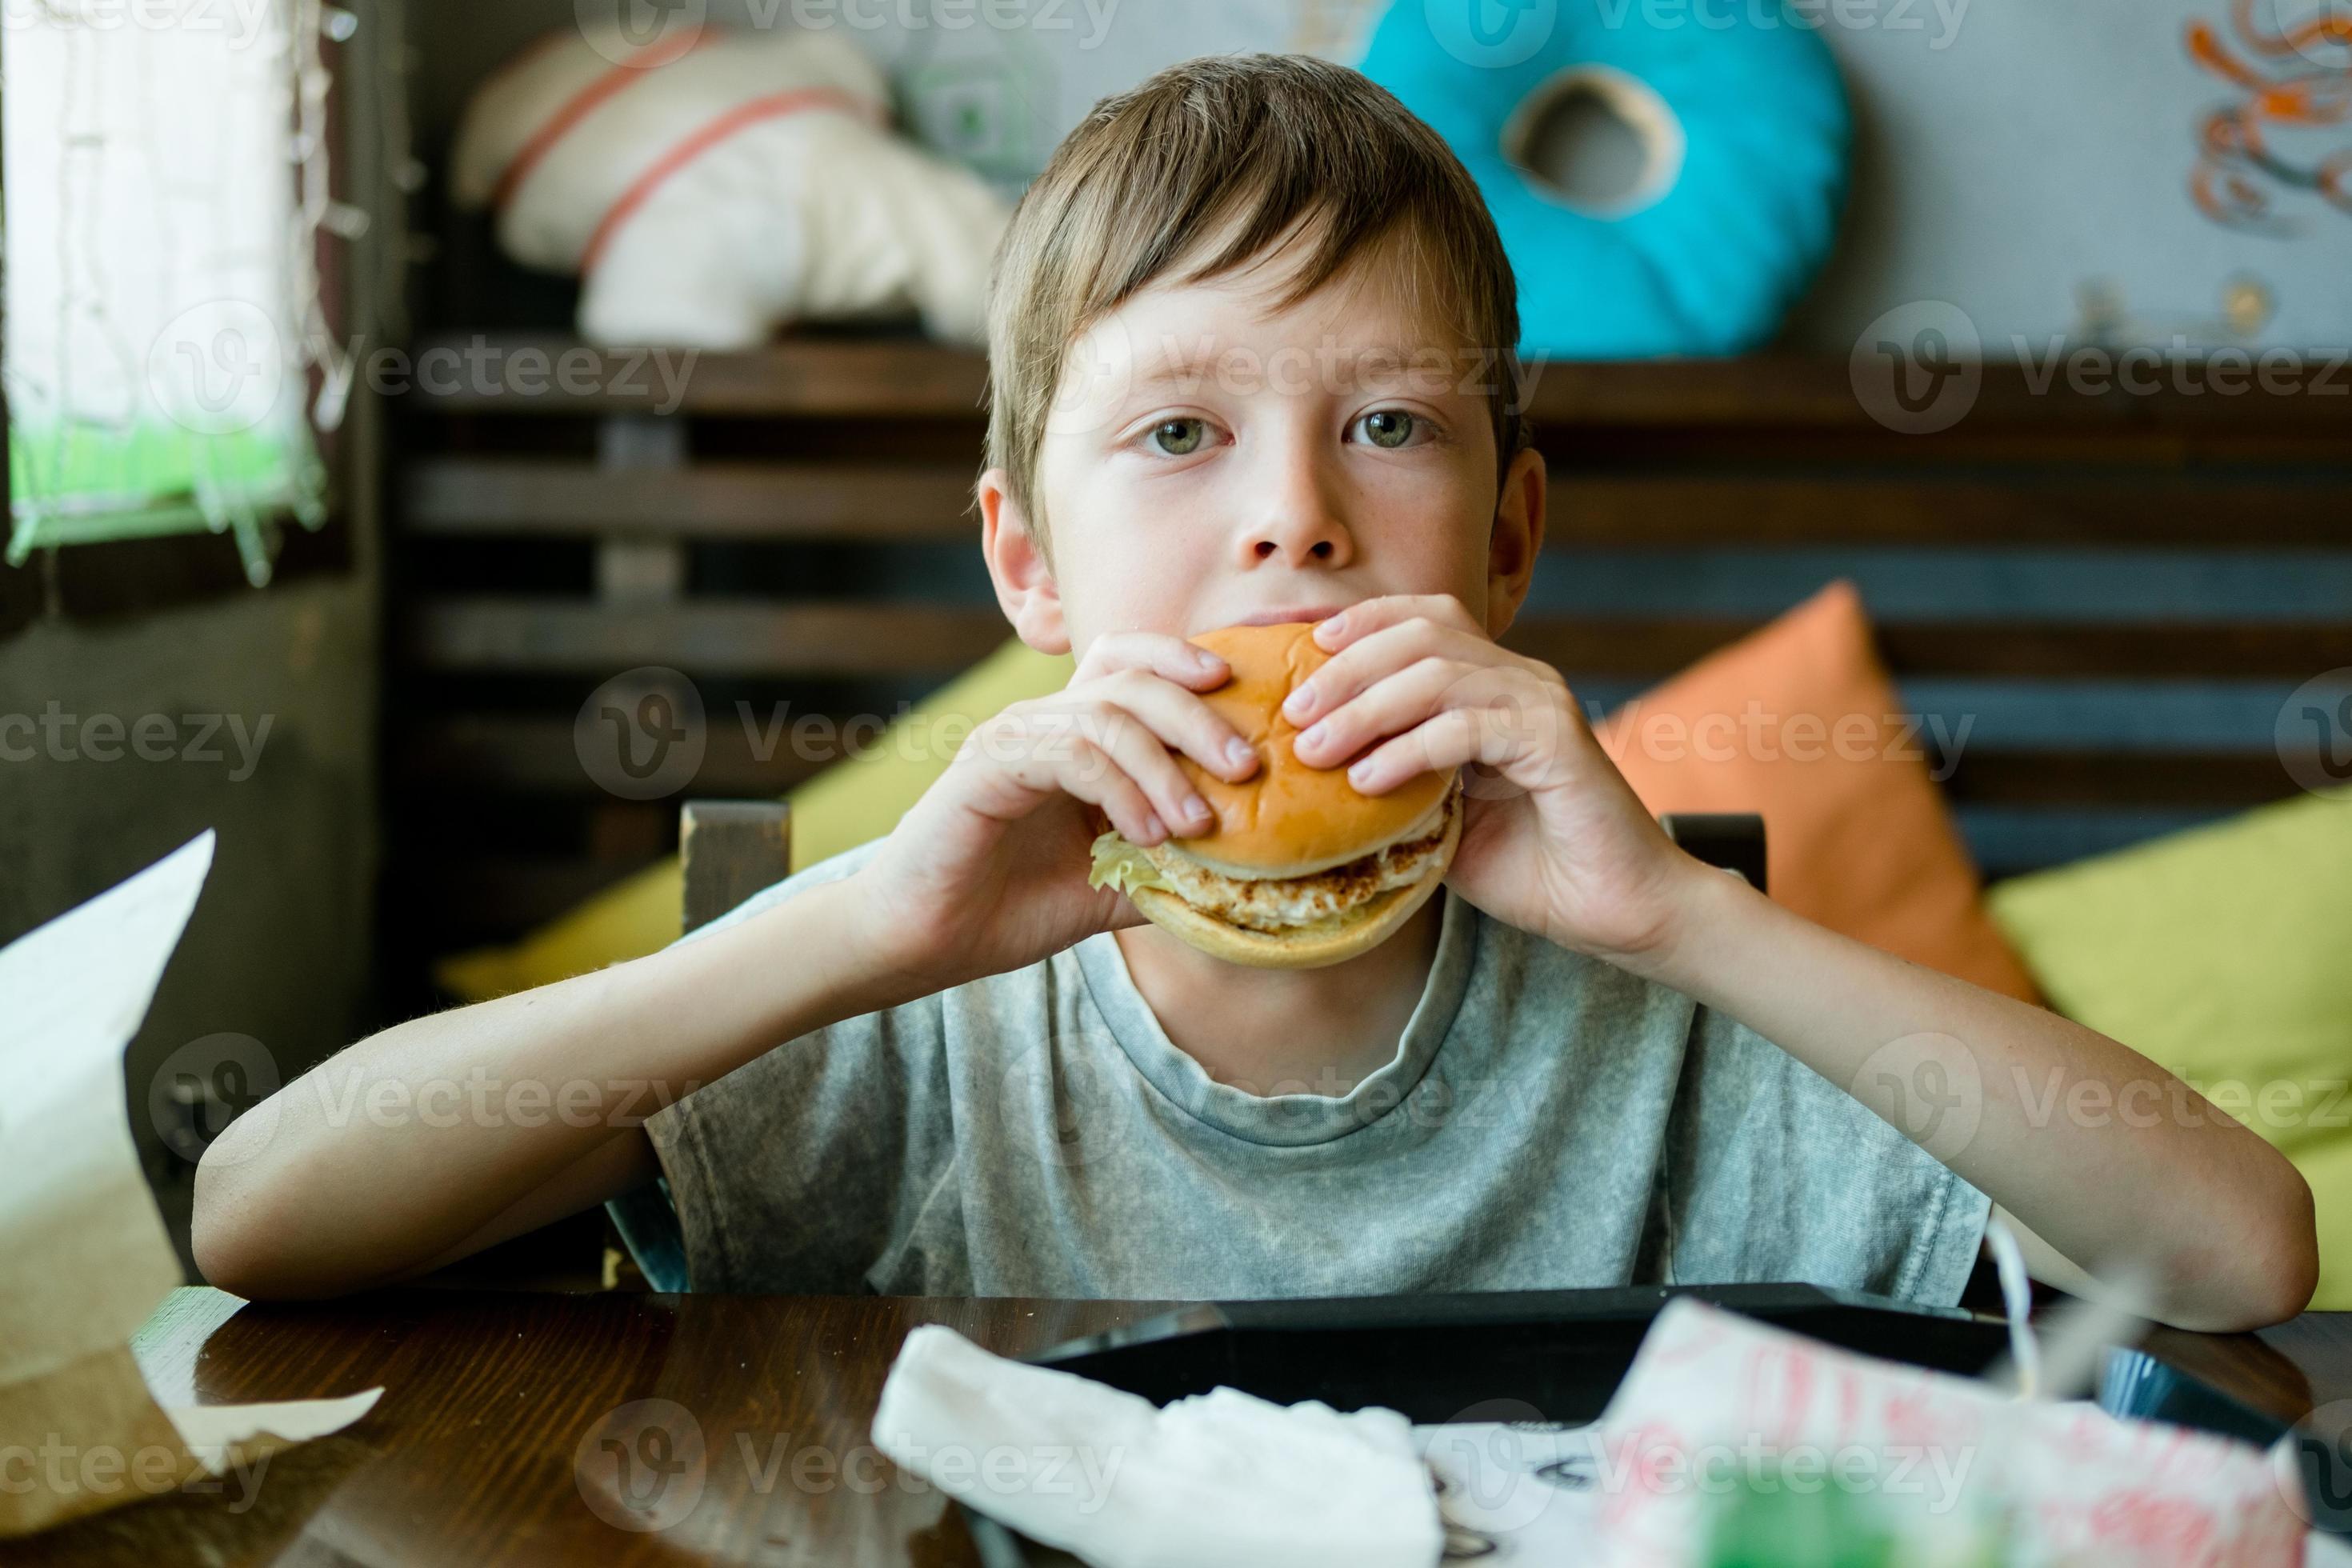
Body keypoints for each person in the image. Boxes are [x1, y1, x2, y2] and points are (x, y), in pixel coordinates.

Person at [194, 54, 2315, 1331]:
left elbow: (2236, 1256)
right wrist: (855, 927)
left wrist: (1686, 915)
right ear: (1024, 560)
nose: (1293, 521)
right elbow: (257, 1217)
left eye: (1389, 427)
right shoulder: (894, 1016)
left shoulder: (1674, 1028)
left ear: (1505, 548)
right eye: (1179, 436)